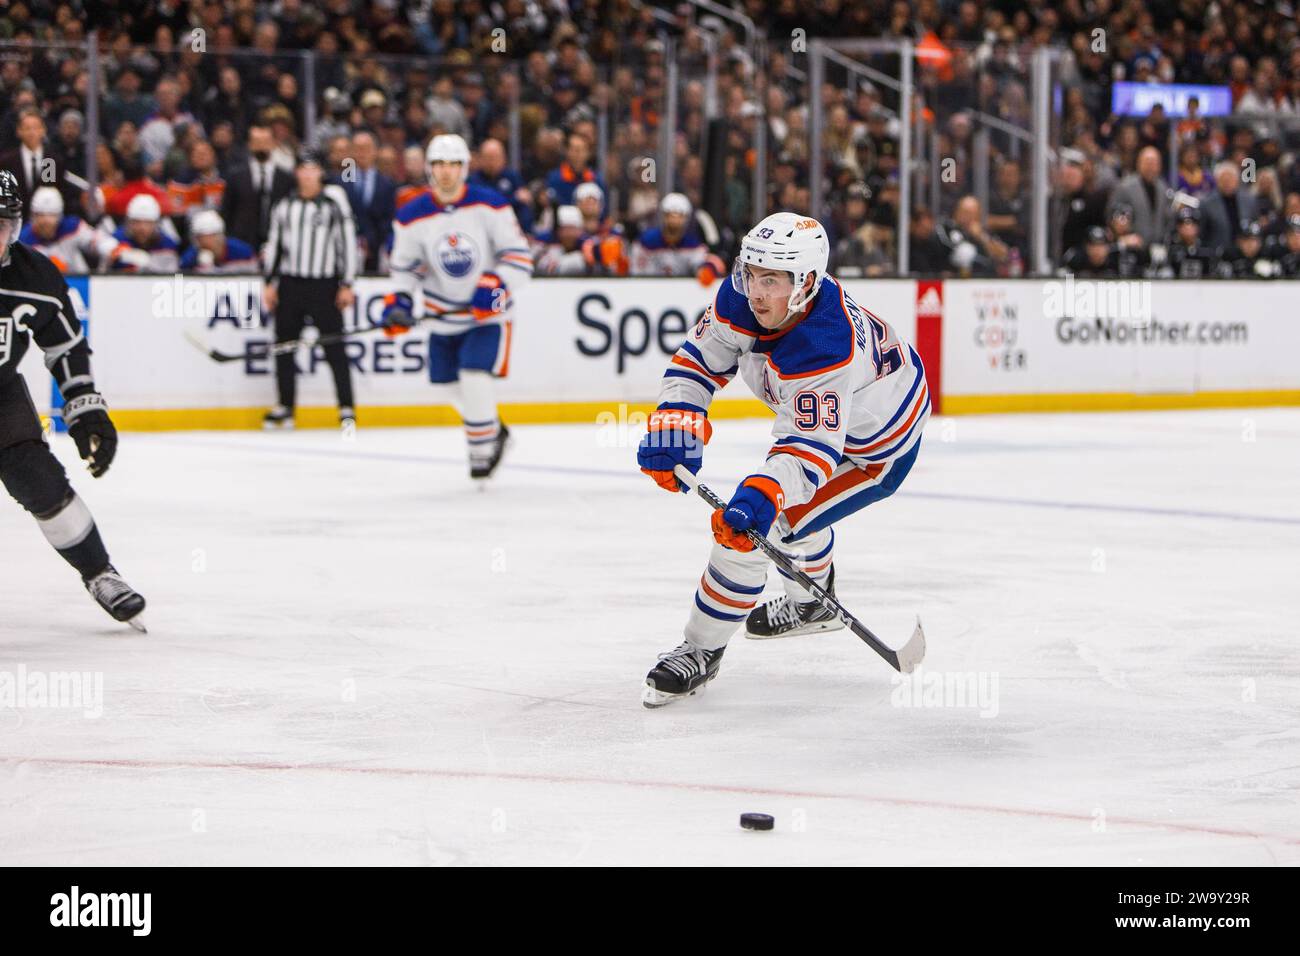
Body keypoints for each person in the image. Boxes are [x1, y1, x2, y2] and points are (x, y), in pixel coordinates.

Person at [635, 213, 929, 706]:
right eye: (751, 273)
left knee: (760, 528)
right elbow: (699, 360)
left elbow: (808, 454)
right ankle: (816, 604)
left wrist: (764, 494)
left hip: (875, 449)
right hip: (833, 427)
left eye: (771, 280)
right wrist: (677, 420)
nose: (755, 292)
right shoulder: (742, 297)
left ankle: (700, 649)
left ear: (806, 283)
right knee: (787, 515)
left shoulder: (826, 345)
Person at [0, 170, 146, 629]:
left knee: (43, 484)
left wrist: (85, 410)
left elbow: (65, 347)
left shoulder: (36, 276)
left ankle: (100, 572)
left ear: (15, 227)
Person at [379, 134, 534, 480]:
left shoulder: (490, 205)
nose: (446, 172)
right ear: (429, 169)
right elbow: (404, 269)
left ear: (464, 168)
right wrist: (398, 302)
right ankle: (495, 429)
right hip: (441, 317)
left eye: (453, 164)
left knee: (474, 375)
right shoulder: (411, 215)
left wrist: (495, 286)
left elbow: (520, 259)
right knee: (446, 384)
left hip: (485, 318)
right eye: (438, 165)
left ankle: (481, 450)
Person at [261, 151, 359, 429]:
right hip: (292, 283)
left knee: (334, 347)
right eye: (302, 169)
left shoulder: (333, 201)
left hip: (324, 284)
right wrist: (270, 283)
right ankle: (286, 405)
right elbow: (275, 245)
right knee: (284, 346)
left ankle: (346, 406)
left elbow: (347, 243)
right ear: (296, 174)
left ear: (320, 172)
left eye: (312, 169)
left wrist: (347, 283)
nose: (307, 175)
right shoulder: (285, 205)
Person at [20, 187, 120, 274]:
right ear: (33, 217)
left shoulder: (72, 226)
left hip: (78, 283)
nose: (46, 221)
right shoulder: (24, 240)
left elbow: (96, 239)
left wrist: (110, 248)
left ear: (59, 216)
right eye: (40, 215)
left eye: (52, 215)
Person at [629, 192, 725, 282]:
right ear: (663, 216)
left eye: (680, 216)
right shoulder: (646, 242)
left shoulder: (693, 245)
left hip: (681, 294)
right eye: (670, 215)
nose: (674, 220)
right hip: (649, 290)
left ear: (686, 218)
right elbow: (638, 273)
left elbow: (701, 267)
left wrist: (706, 268)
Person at [108, 194, 181, 273]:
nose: (142, 228)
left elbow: (171, 276)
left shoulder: (167, 244)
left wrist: (149, 262)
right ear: (129, 223)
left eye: (147, 223)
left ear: (155, 224)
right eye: (137, 222)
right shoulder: (118, 239)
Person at [180, 210, 258, 274]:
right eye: (200, 239)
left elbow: (255, 277)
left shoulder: (242, 252)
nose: (204, 243)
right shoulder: (190, 258)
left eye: (212, 237)